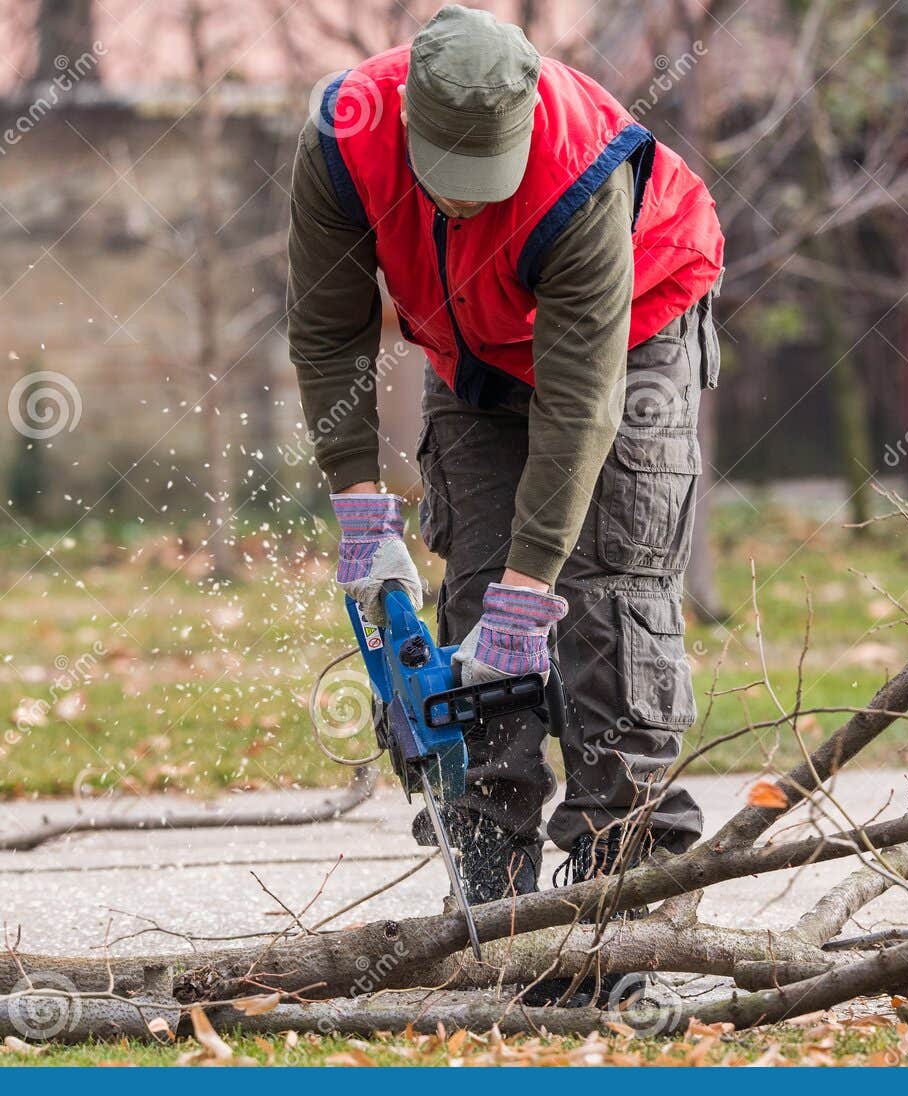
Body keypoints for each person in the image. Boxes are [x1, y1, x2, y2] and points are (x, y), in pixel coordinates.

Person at [287, 5, 724, 962]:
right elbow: (327, 332)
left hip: (633, 332)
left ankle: (625, 902)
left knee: (603, 594)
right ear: (407, 126)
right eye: (448, 182)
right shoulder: (345, 143)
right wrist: (362, 509)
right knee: (475, 600)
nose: (462, 202)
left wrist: (537, 595)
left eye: (485, 180)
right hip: (474, 345)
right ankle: (495, 911)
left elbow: (579, 405)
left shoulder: (584, 170)